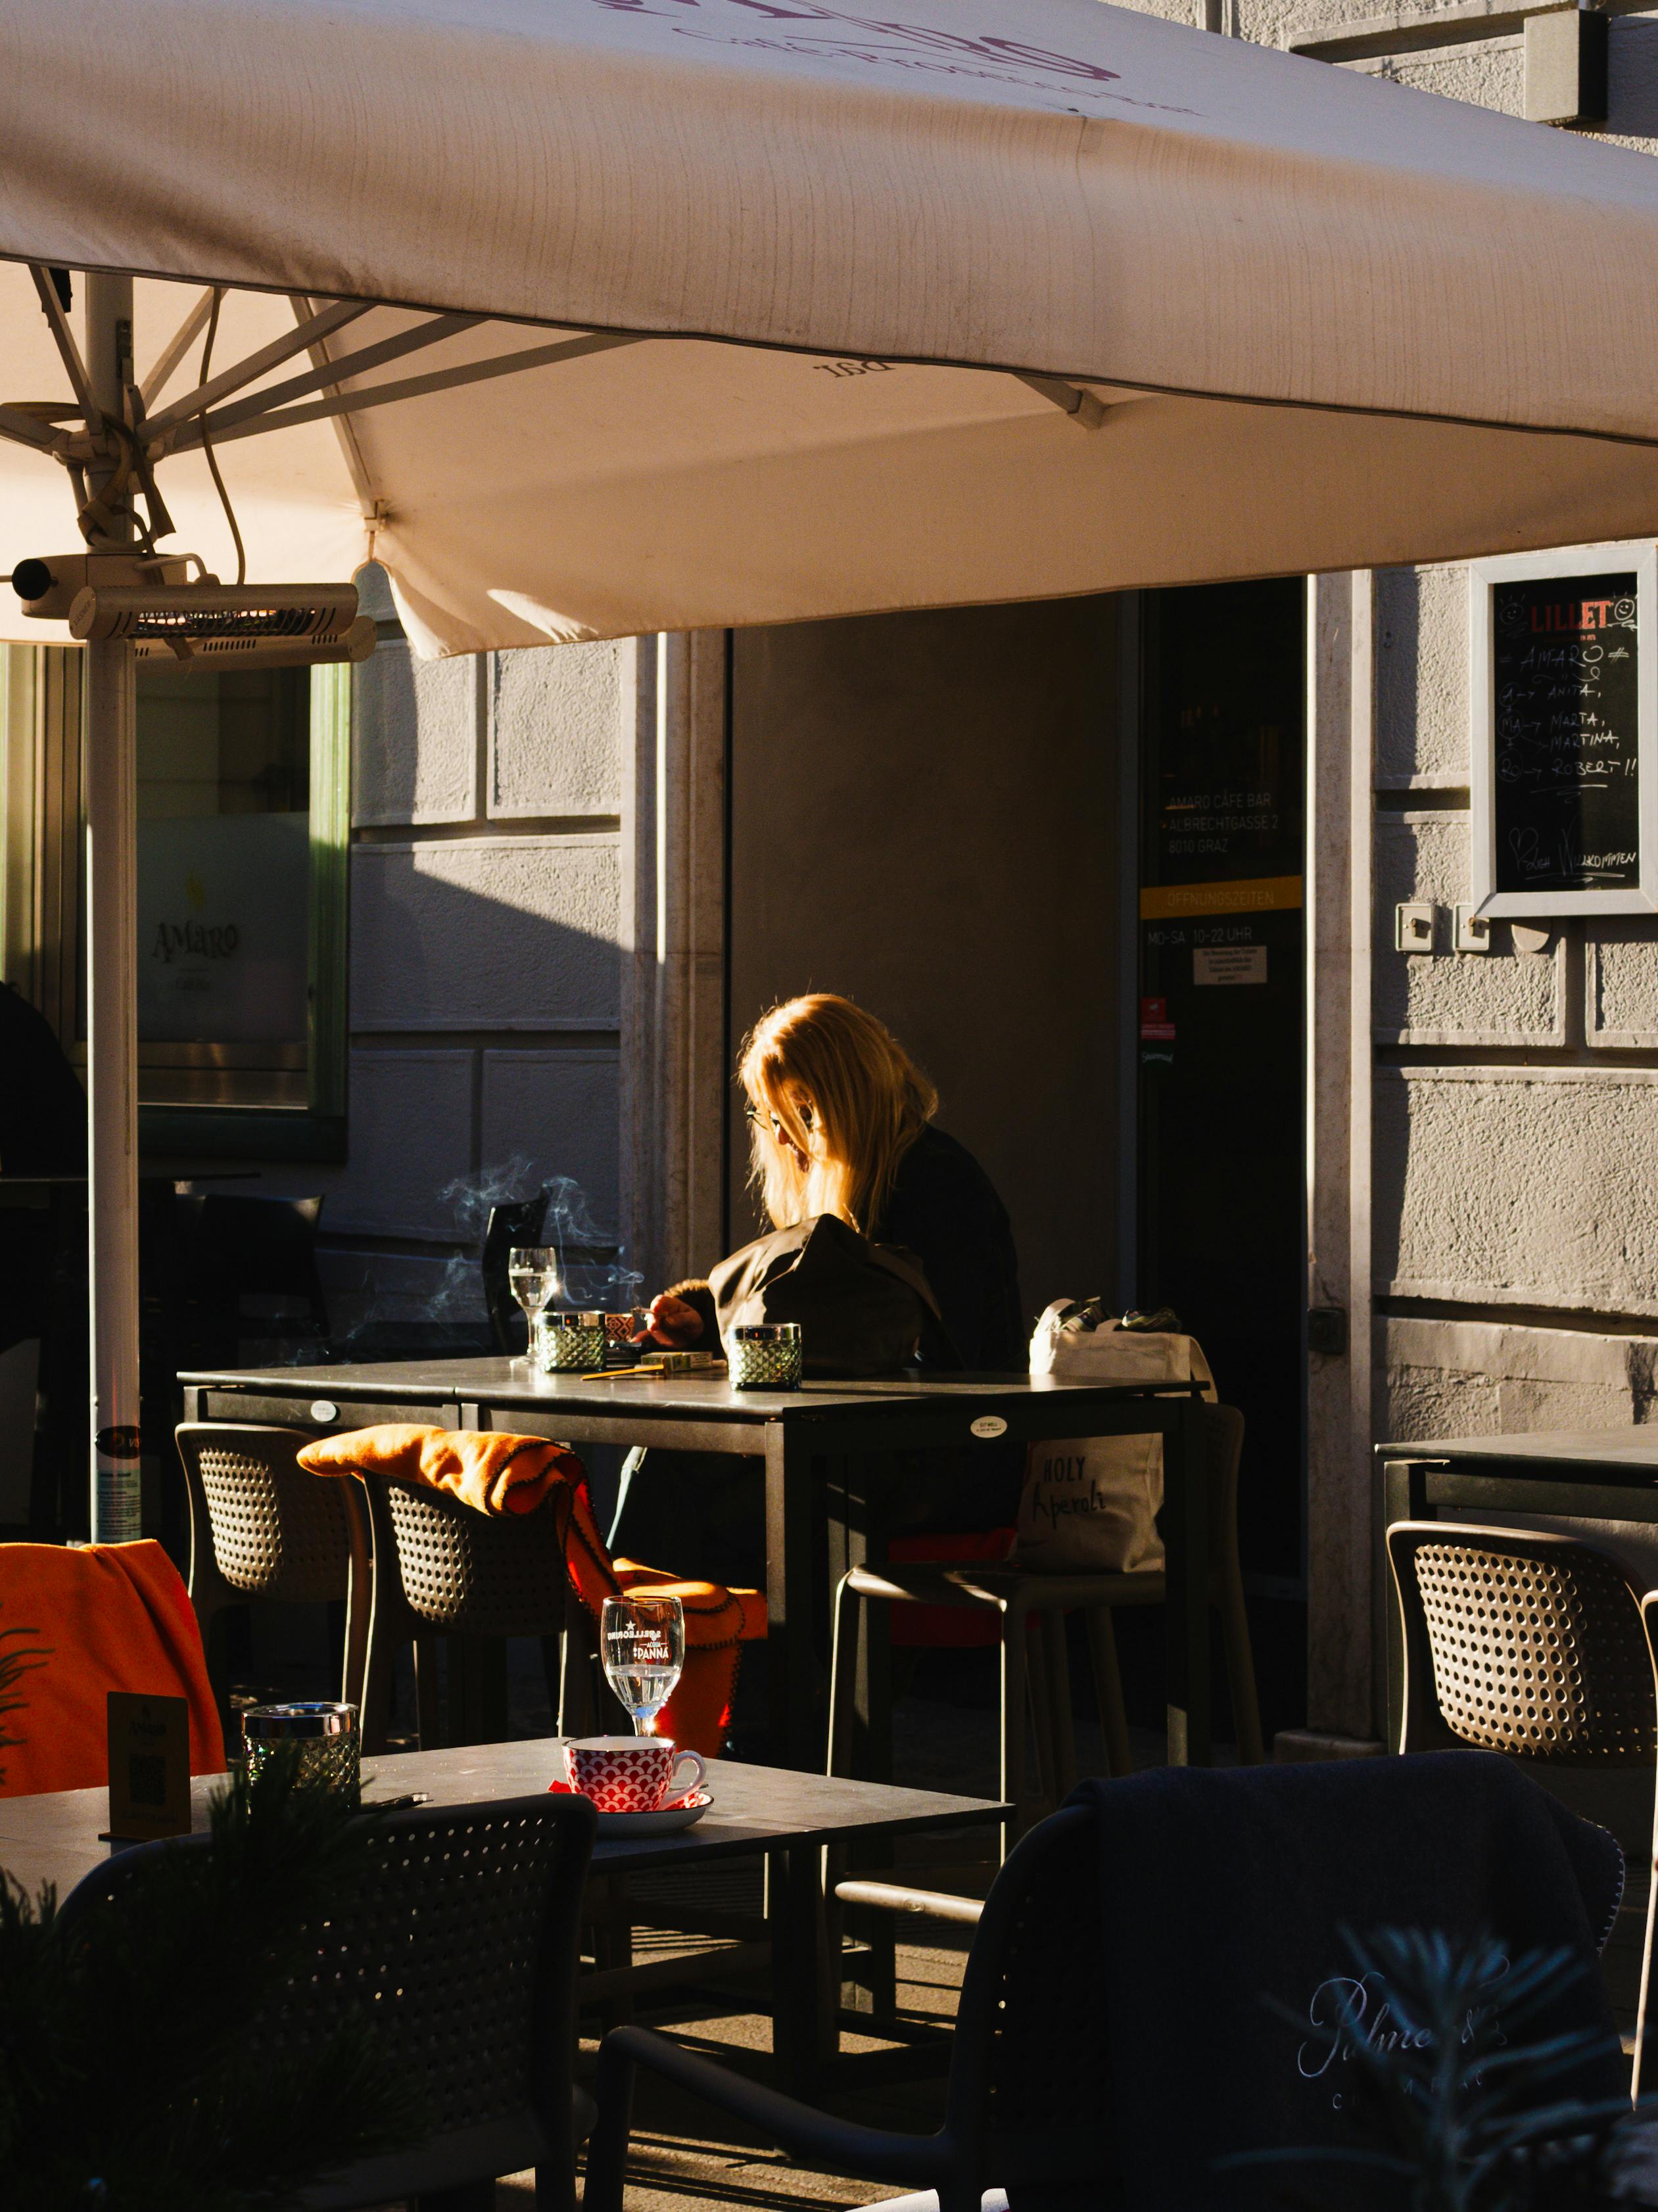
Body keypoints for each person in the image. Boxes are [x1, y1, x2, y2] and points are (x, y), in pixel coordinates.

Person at [612, 994, 1026, 1591]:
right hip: (864, 1451)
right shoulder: (870, 1181)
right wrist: (706, 1317)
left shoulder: (936, 1183)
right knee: (667, 1467)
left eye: (796, 1111)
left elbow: (919, 1360)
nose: (779, 1133)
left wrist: (737, 1328)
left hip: (946, 1463)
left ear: (842, 1099)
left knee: (678, 1484)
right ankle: (674, 1664)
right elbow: (823, 1314)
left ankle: (653, 1665)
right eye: (767, 1114)